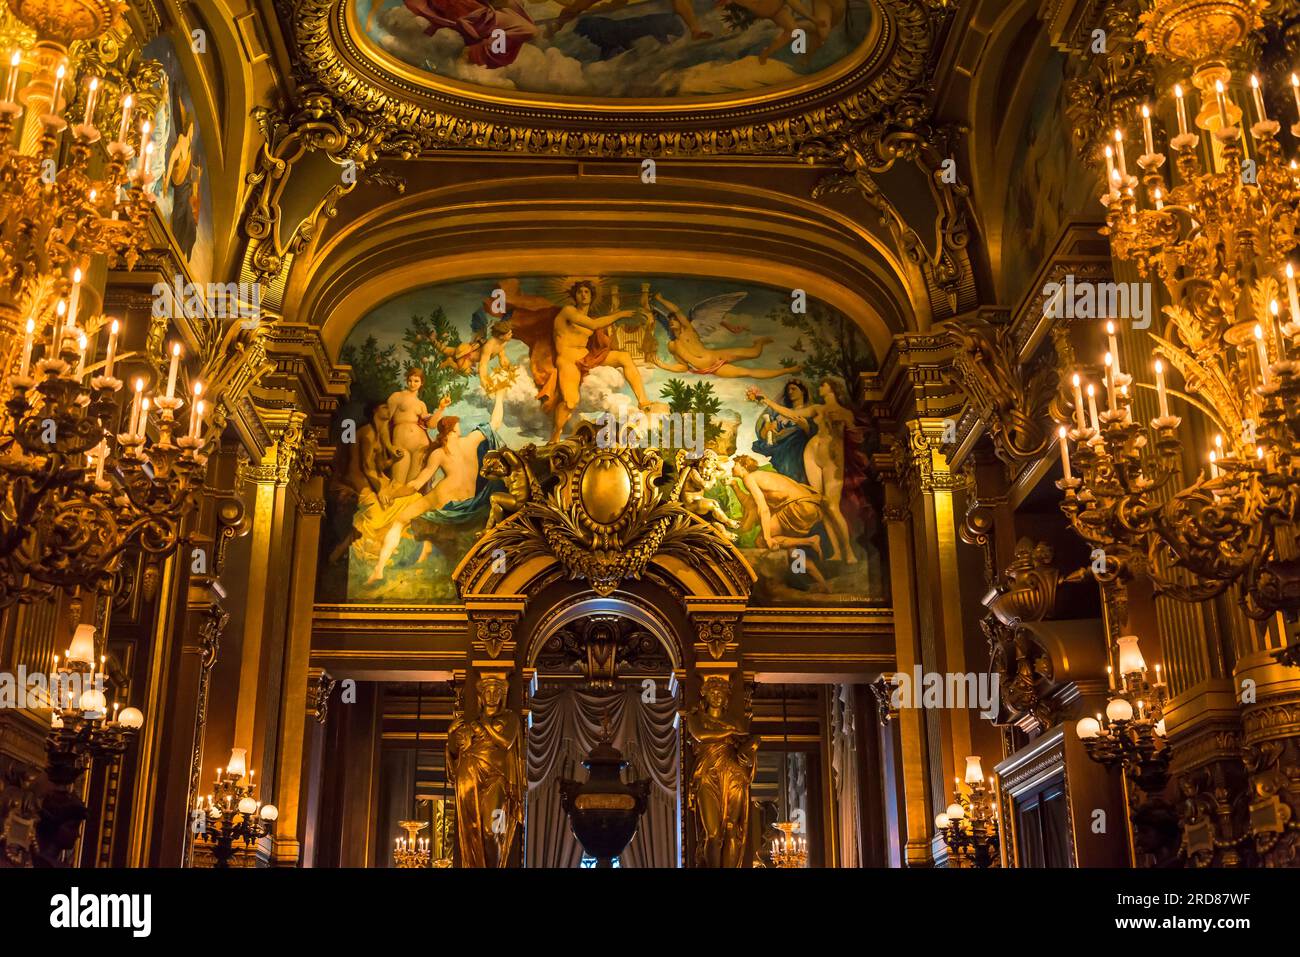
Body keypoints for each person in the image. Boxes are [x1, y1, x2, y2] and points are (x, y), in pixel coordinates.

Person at [507, 279, 668, 442]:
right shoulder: (568, 311)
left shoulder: (589, 317)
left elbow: (596, 333)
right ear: (574, 296)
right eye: (580, 292)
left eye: (587, 292)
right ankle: (556, 434)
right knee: (570, 402)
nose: (583, 295)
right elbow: (593, 324)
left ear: (591, 296)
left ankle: (643, 400)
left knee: (624, 357)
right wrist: (620, 314)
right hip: (568, 361)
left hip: (586, 357)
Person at [747, 379, 857, 563]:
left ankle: (849, 552)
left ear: (832, 388)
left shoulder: (845, 413)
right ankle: (837, 552)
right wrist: (766, 400)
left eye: (823, 384)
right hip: (812, 451)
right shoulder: (817, 409)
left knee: (832, 505)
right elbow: (790, 413)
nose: (820, 386)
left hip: (831, 454)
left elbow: (854, 435)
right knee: (820, 502)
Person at [447, 675, 524, 868]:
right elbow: (457, 752)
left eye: (496, 691)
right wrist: (451, 735)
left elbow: (506, 743)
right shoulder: (470, 726)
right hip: (469, 774)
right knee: (470, 827)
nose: (491, 695)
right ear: (481, 695)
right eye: (487, 691)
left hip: (497, 779)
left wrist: (486, 726)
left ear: (502, 695)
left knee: (493, 830)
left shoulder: (510, 718)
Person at [729, 454, 846, 580]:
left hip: (798, 507)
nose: (732, 467)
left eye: (735, 464)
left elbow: (763, 509)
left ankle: (810, 541)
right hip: (810, 507)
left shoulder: (749, 478)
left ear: (743, 467)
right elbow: (749, 503)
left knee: (762, 540)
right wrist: (734, 486)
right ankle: (819, 581)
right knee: (791, 549)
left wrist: (768, 537)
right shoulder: (761, 476)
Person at [687, 676, 759, 868]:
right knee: (712, 832)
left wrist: (753, 745)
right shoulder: (696, 718)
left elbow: (746, 745)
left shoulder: (734, 720)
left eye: (721, 693)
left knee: (732, 829)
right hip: (707, 774)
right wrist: (729, 733)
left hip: (733, 773)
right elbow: (700, 735)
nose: (718, 696)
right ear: (705, 694)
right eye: (714, 692)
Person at [652, 292, 802, 378]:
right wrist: (662, 365)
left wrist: (660, 300)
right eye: (669, 321)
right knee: (748, 373)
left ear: (680, 322)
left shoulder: (689, 329)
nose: (671, 322)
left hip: (716, 355)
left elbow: (677, 311)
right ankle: (787, 371)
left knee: (755, 352)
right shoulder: (673, 346)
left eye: (674, 320)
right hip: (710, 368)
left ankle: (759, 342)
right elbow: (682, 367)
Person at [751, 378, 815, 483]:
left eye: (793, 389)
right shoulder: (780, 415)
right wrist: (767, 428)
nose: (790, 392)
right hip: (780, 452)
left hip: (798, 452)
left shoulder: (809, 412)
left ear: (803, 391)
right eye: (788, 390)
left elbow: (815, 435)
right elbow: (765, 436)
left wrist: (805, 427)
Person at [384, 366, 434, 486]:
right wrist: (389, 446)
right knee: (397, 484)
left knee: (411, 487)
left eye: (416, 381)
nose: (412, 384)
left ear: (421, 383)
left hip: (420, 446)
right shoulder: (397, 396)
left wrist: (441, 409)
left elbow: (430, 425)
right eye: (410, 380)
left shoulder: (421, 404)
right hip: (401, 443)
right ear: (406, 381)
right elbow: (384, 421)